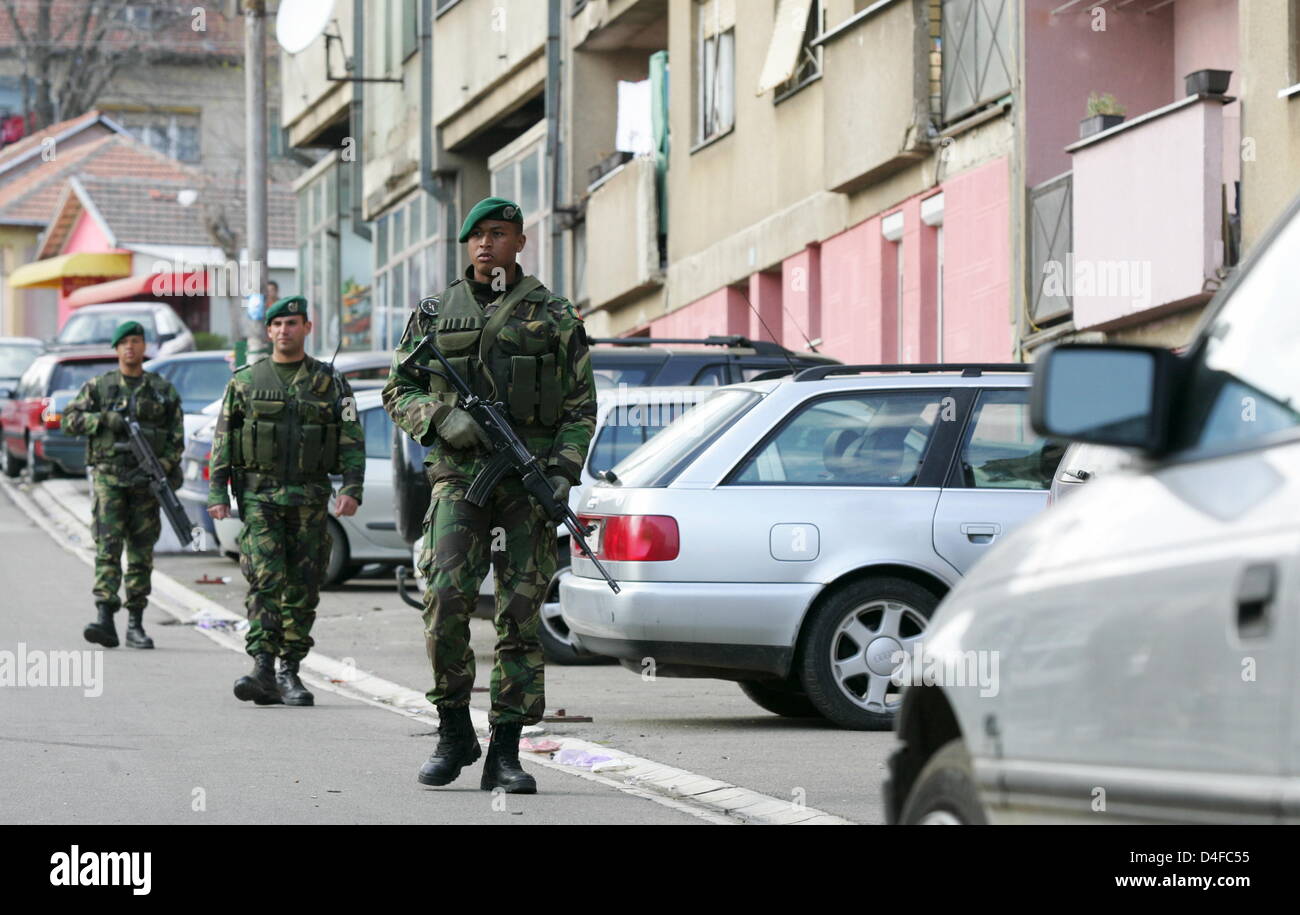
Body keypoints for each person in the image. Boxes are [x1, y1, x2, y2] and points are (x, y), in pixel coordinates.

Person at [383, 195, 597, 794]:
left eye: (498, 234)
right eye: (475, 235)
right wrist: (437, 417)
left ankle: (505, 751)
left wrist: (561, 473)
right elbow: (396, 389)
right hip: (459, 477)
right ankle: (454, 729)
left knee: (520, 619)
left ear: (520, 243)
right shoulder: (432, 313)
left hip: (526, 484)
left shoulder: (554, 315)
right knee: (446, 599)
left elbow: (581, 409)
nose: (485, 244)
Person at [207, 296, 365, 706]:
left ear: (306, 328)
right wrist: (217, 492)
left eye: (291, 323)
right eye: (276, 324)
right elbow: (223, 439)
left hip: (311, 497)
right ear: (268, 330)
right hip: (260, 497)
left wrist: (351, 487)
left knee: (304, 584)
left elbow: (351, 437)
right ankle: (261, 666)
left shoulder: (332, 382)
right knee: (264, 579)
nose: (283, 331)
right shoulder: (245, 381)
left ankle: (290, 671)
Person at [63, 320, 184, 650]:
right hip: (110, 480)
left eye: (136, 341)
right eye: (124, 342)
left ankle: (136, 623)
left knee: (141, 554)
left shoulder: (162, 390)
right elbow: (68, 421)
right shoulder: (99, 387)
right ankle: (105, 618)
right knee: (108, 548)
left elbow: (176, 438)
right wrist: (103, 419)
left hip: (146, 484)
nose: (130, 347)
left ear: (145, 347)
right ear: (116, 349)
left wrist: (165, 465)